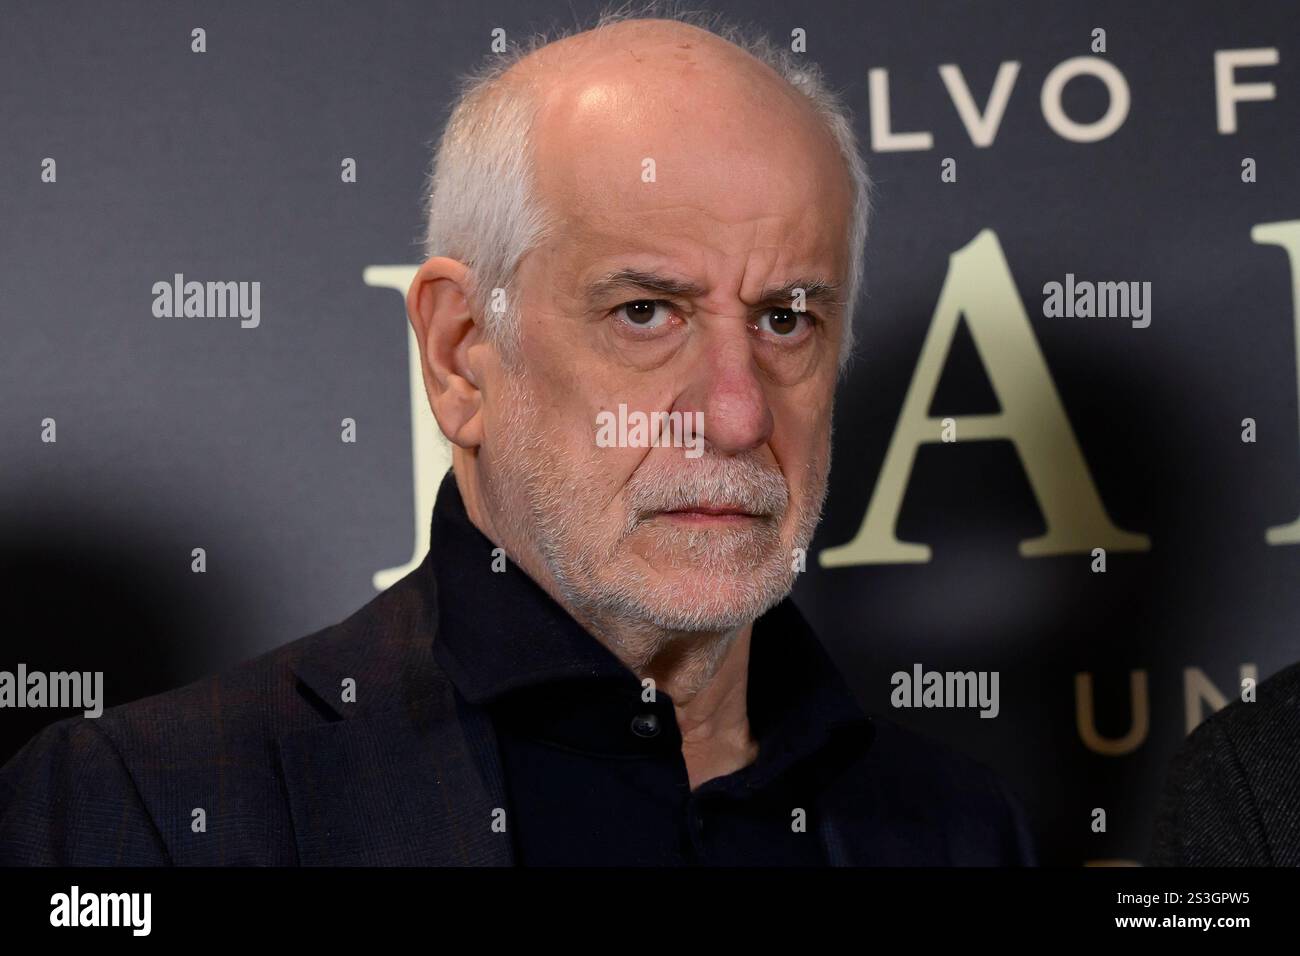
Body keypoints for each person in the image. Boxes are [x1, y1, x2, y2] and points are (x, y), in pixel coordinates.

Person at [0, 9, 1035, 866]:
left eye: (784, 319)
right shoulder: (146, 806)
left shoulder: (958, 828)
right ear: (460, 353)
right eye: (645, 312)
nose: (737, 412)